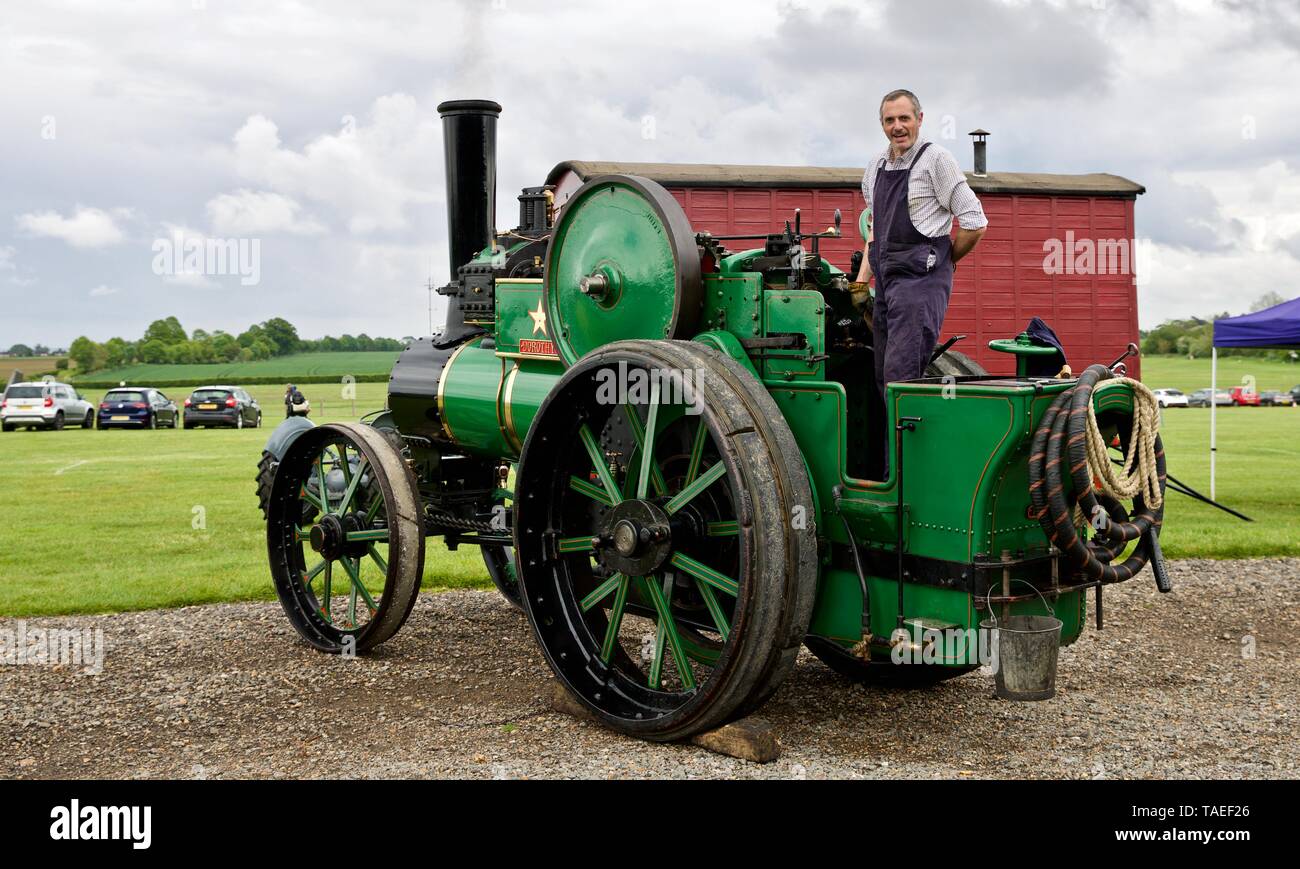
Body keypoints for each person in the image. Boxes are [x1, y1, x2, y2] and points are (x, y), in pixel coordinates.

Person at [856, 88, 988, 473]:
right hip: (886, 286)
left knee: (902, 383)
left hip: (920, 285)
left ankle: (906, 483)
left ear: (920, 118)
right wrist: (860, 283)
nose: (898, 127)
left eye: (904, 118)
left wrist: (947, 260)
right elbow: (875, 232)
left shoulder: (937, 161)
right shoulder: (876, 166)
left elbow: (975, 222)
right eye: (889, 120)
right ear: (882, 124)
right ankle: (889, 475)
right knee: (883, 381)